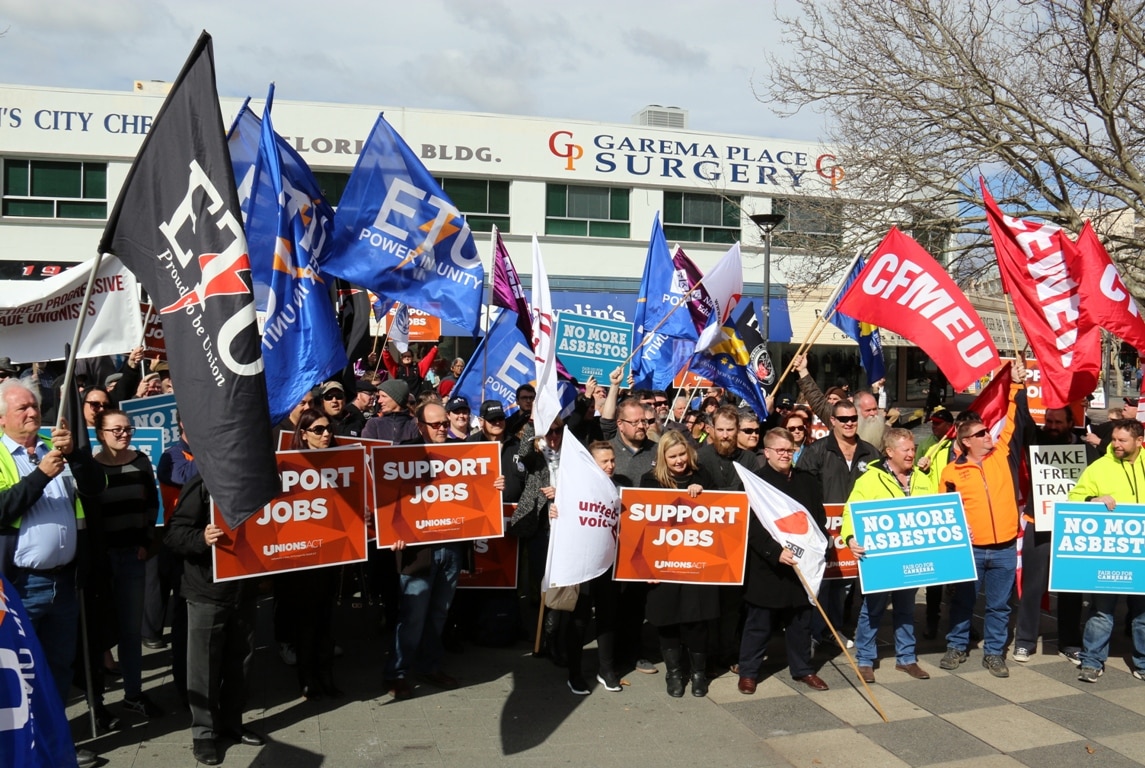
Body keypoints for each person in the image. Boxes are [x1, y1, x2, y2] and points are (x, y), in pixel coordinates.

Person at [0, 379, 105, 768]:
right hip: (20, 586)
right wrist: (41, 475)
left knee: (58, 668)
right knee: (22, 670)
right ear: (1, 418)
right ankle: (20, 746)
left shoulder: (52, 446)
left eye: (34, 406)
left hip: (64, 581)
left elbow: (95, 488)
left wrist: (76, 456)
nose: (32, 413)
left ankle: (54, 739)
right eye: (22, 409)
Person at [384, 402, 503, 699]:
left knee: (438, 613)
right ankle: (397, 673)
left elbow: (475, 490)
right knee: (412, 614)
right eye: (434, 424)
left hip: (451, 547)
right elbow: (390, 500)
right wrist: (392, 531)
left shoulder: (459, 451)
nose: (440, 429)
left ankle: (428, 665)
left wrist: (494, 484)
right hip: (417, 553)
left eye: (442, 424)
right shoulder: (402, 453)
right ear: (420, 425)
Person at [166, 474, 265, 765]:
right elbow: (174, 533)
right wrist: (202, 538)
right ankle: (204, 734)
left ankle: (232, 722)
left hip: (243, 587)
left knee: (241, 660)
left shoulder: (261, 481)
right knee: (203, 666)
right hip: (207, 589)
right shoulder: (203, 482)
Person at [939, 359, 1027, 678]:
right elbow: (945, 513)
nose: (988, 434)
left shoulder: (1002, 455)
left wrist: (1017, 385)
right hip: (972, 549)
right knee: (963, 601)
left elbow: (1016, 417)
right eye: (981, 432)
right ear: (966, 441)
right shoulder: (952, 472)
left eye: (988, 430)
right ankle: (956, 646)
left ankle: (993, 653)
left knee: (1000, 606)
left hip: (1004, 547)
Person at [738, 428, 829, 694]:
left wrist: (815, 548)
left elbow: (817, 519)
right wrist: (774, 551)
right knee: (759, 624)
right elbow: (751, 526)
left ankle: (802, 669)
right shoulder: (757, 482)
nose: (785, 455)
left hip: (802, 565)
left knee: (801, 621)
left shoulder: (807, 480)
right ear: (766, 453)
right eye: (779, 450)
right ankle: (749, 672)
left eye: (789, 450)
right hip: (769, 568)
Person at [88, 408, 164, 719]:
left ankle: (133, 694)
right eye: (116, 430)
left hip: (133, 557)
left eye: (128, 429)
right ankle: (98, 704)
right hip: (102, 563)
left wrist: (146, 542)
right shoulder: (91, 469)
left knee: (132, 634)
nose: (124, 434)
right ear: (100, 434)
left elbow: (151, 505)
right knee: (101, 631)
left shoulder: (141, 462)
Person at [843, 428, 930, 683]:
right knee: (873, 608)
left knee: (906, 608)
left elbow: (937, 509)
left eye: (913, 449)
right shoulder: (870, 480)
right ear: (890, 452)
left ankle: (906, 658)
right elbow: (850, 512)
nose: (912, 454)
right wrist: (850, 538)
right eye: (906, 450)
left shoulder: (923, 478)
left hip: (911, 556)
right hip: (879, 557)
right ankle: (865, 660)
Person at [640, 431, 719, 698]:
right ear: (662, 457)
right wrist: (646, 566)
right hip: (663, 564)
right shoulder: (650, 481)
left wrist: (703, 494)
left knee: (696, 621)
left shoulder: (703, 476)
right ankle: (674, 673)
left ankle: (698, 673)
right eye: (672, 456)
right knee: (668, 620)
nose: (678, 461)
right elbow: (642, 528)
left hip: (696, 562)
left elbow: (720, 513)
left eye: (682, 454)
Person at [1013, 406, 1091, 665]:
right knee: (1033, 587)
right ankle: (1024, 641)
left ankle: (1069, 642)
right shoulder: (1037, 441)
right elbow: (1022, 421)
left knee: (1070, 589)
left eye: (1058, 421)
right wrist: (1020, 385)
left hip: (1071, 529)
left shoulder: (1087, 451)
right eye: (1048, 420)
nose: (1052, 425)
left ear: (1071, 422)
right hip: (1039, 524)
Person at [798, 399, 880, 644]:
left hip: (856, 530)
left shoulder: (871, 452)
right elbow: (803, 490)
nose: (849, 423)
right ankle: (813, 632)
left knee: (844, 584)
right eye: (843, 419)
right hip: (823, 530)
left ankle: (831, 630)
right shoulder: (817, 451)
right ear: (832, 421)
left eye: (853, 418)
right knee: (821, 583)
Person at [1071, 419, 1145, 683]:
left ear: (1139, 441)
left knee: (1142, 613)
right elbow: (1074, 498)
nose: (1115, 445)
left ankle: (1143, 663)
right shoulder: (1100, 466)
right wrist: (1093, 500)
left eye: (1122, 440)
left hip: (1142, 554)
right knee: (1102, 611)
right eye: (1114, 439)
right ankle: (1092, 661)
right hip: (1109, 552)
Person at [278, 408, 343, 699]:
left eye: (328, 429)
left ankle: (326, 675)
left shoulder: (342, 462)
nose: (326, 434)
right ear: (303, 434)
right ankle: (307, 679)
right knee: (305, 621)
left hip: (332, 554)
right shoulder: (286, 465)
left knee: (327, 620)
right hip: (299, 557)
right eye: (318, 430)